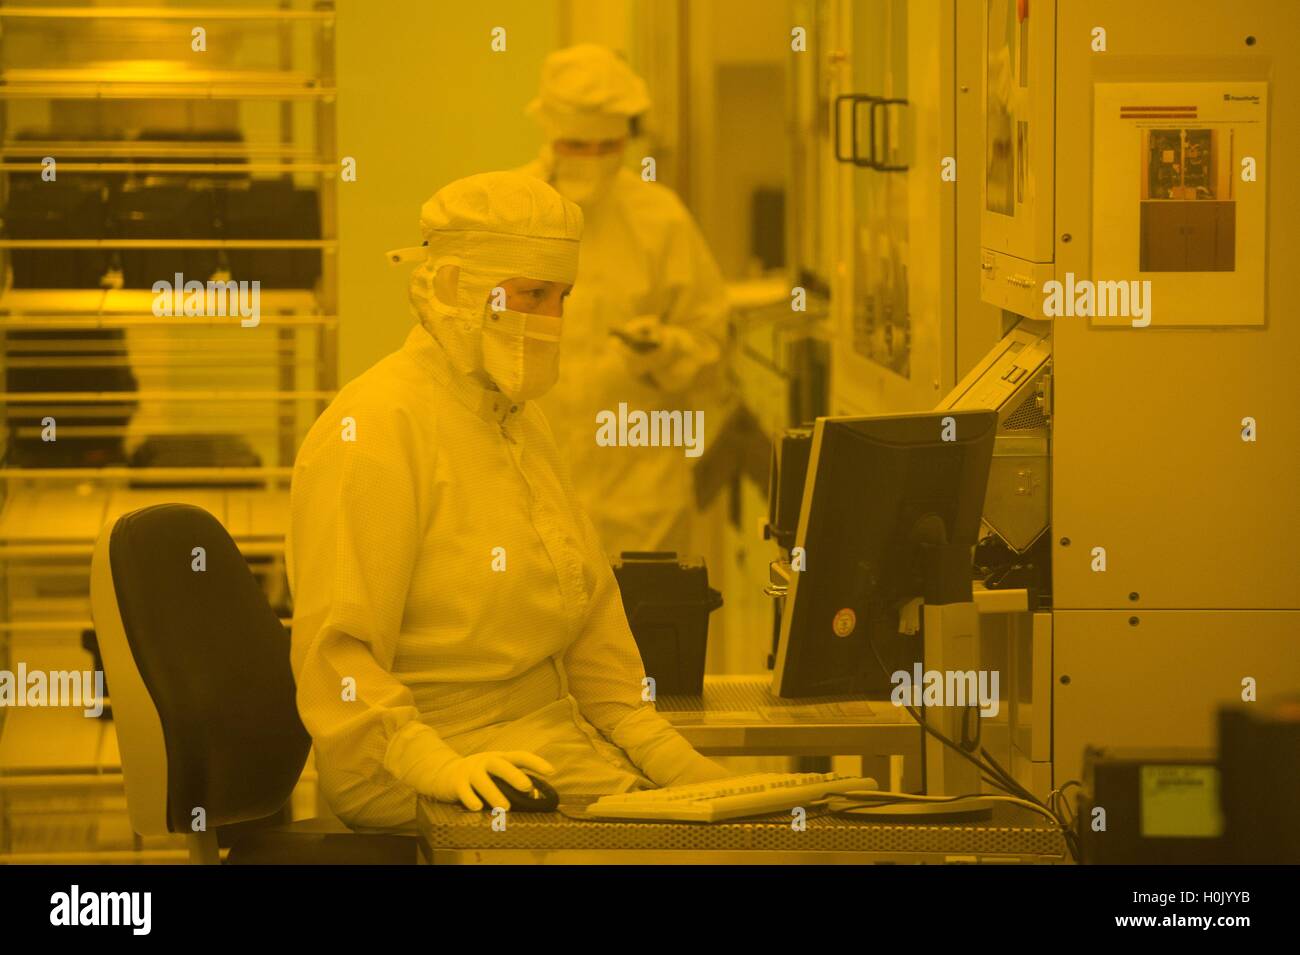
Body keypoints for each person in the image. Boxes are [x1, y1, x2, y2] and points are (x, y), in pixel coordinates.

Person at [285, 172, 728, 830]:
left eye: (562, 298)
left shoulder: (516, 419)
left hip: (547, 749)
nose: (550, 321)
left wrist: (673, 760)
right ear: (451, 290)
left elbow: (592, 636)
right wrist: (435, 763)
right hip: (420, 766)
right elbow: (334, 655)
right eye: (531, 295)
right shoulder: (376, 430)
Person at [519, 44, 729, 556]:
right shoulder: (511, 210)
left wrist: (664, 350)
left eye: (606, 147)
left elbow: (710, 345)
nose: (591, 161)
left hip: (641, 498)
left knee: (645, 632)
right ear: (551, 132)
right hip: (529, 489)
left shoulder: (659, 219)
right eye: (576, 145)